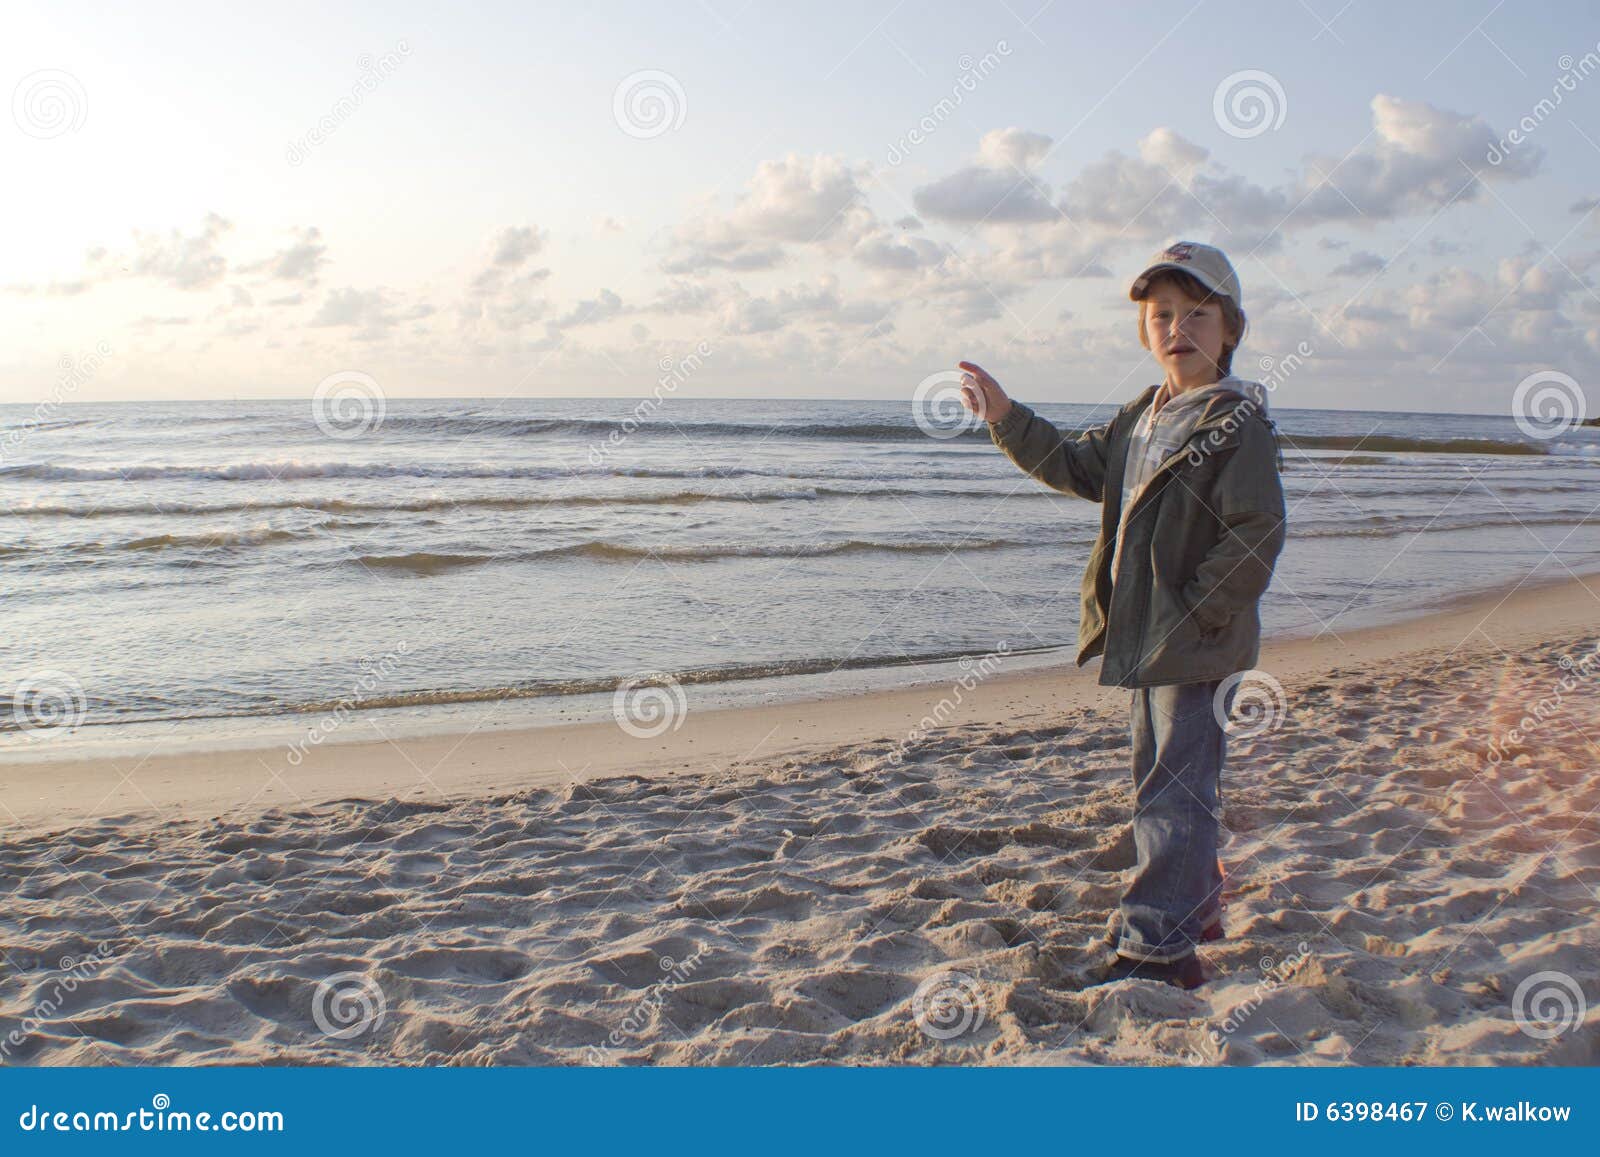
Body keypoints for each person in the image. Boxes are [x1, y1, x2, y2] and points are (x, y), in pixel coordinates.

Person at [957, 240, 1287, 989]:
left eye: (1197, 313)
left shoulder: (1236, 423)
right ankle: (1194, 901)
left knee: (1176, 789)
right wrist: (1005, 416)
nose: (1179, 327)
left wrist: (1198, 610)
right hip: (1148, 636)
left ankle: (1158, 950)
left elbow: (1256, 529)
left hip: (1195, 641)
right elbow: (1077, 466)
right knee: (1162, 780)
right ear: (1145, 331)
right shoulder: (1144, 416)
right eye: (1162, 314)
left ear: (1230, 329)